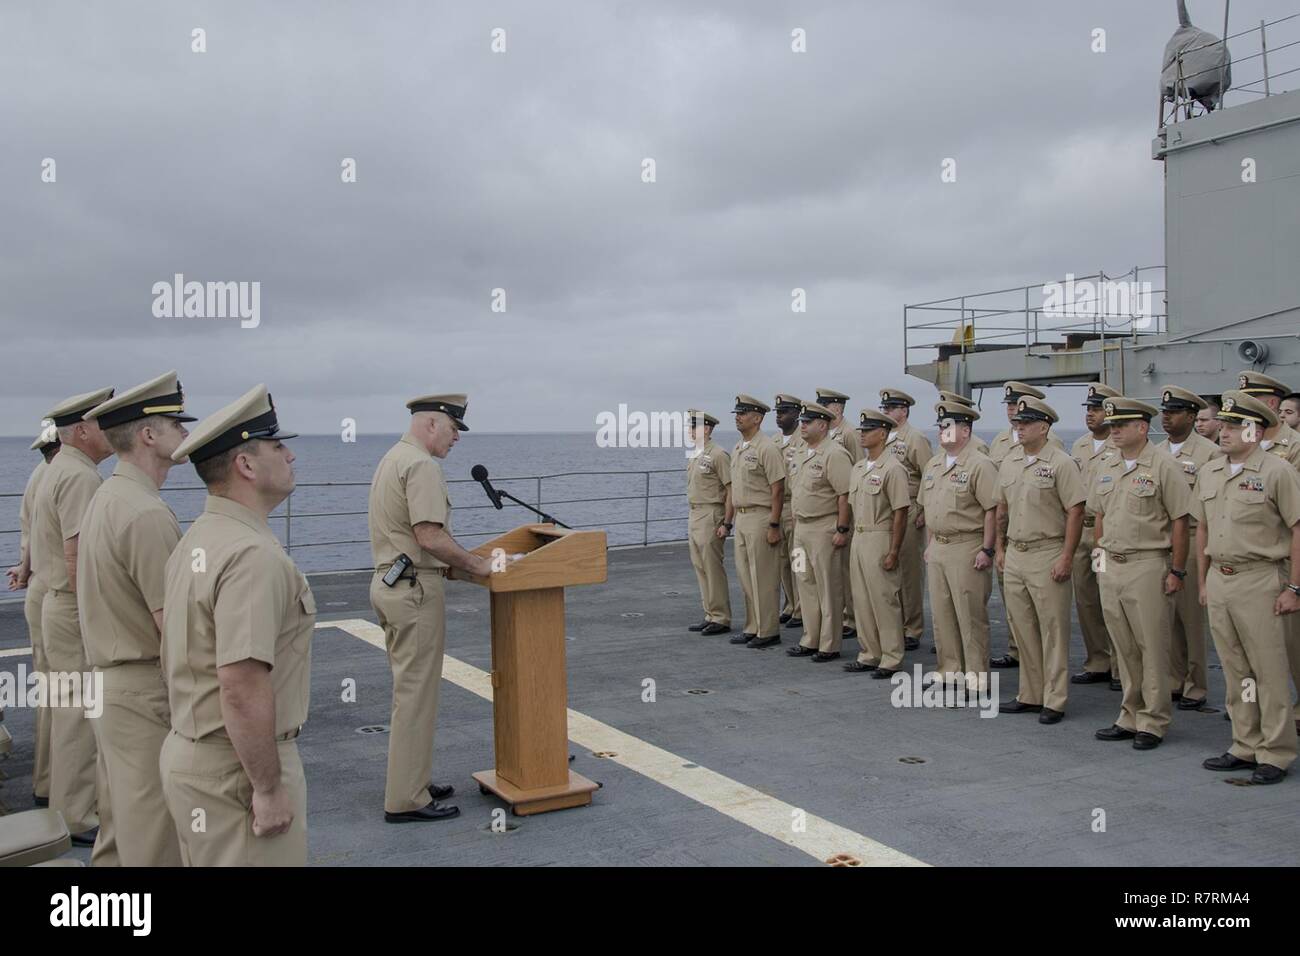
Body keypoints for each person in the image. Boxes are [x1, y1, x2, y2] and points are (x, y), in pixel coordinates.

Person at [159, 385, 313, 865]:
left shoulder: (200, 538)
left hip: (195, 752)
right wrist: (267, 789)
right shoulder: (250, 555)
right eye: (276, 446)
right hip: (236, 772)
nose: (290, 454)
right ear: (246, 465)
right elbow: (241, 683)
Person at [76, 372, 193, 866]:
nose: (186, 434)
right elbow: (174, 626)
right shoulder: (145, 512)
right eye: (176, 424)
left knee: (120, 830)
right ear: (148, 434)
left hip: (110, 685)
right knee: (155, 835)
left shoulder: (107, 496)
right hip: (143, 691)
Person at [369, 393, 493, 823]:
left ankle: (413, 780)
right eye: (454, 428)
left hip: (392, 583)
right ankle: (406, 799)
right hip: (414, 589)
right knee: (416, 697)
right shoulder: (422, 465)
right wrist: (480, 566)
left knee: (411, 694)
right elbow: (430, 536)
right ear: (432, 424)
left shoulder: (393, 457)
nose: (457, 437)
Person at [1194, 390, 1300, 784]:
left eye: (1236, 425)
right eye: (1224, 424)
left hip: (1261, 579)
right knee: (1238, 671)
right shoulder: (1211, 471)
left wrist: (1294, 588)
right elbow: (1202, 526)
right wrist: (1204, 579)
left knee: (1268, 671)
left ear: (1255, 430)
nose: (1225, 432)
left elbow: (1297, 529)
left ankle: (1276, 751)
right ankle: (1245, 743)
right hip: (1221, 579)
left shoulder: (1276, 471)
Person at [31, 386, 116, 847]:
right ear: (82, 430)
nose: (109, 432)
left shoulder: (59, 468)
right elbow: (78, 553)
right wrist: (97, 616)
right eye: (102, 423)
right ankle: (79, 816)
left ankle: (57, 798)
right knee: (80, 716)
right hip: (71, 606)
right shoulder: (80, 477)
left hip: (54, 604)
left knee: (64, 711)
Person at [1089, 397, 1191, 751]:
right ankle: (1129, 714)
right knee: (1124, 646)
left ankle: (1154, 719)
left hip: (1148, 564)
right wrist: (1099, 558)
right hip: (1112, 565)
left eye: (1121, 426)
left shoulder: (1163, 465)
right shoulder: (1107, 464)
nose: (1113, 430)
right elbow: (1100, 513)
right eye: (1112, 426)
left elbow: (1180, 520)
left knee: (1152, 646)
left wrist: (1177, 570)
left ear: (1142, 428)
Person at [995, 397, 1085, 723]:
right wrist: (1000, 548)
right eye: (1017, 424)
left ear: (1044, 427)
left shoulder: (1061, 463)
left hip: (1048, 551)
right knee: (1023, 628)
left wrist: (1066, 556)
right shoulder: (1009, 462)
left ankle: (1054, 699)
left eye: (1026, 424)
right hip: (1017, 552)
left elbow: (1075, 510)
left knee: (1053, 630)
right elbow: (1002, 508)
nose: (1019, 428)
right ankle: (1030, 694)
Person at [918, 401, 999, 692]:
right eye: (939, 427)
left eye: (947, 426)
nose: (941, 431)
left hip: (967, 545)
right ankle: (949, 670)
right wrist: (929, 545)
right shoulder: (934, 464)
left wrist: (987, 549)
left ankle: (977, 679)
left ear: (965, 431)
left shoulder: (980, 464)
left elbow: (992, 509)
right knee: (942, 615)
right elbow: (931, 509)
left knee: (970, 617)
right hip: (939, 546)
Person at [987, 382, 1064, 670]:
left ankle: (1045, 672)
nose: (1011, 411)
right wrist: (999, 544)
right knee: (1013, 601)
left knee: (1044, 614)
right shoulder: (1000, 443)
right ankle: (1017, 650)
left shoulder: (1052, 447)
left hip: (1042, 540)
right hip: (1012, 536)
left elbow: (1069, 507)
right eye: (1009, 406)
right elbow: (1001, 500)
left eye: (1018, 406)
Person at [5, 422, 62, 802]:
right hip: (55, 591)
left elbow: (31, 536)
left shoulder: (38, 477)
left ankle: (47, 780)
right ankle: (64, 789)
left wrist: (24, 570)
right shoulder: (63, 479)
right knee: (71, 701)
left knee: (50, 694)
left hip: (39, 587)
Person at [1156, 386, 1220, 711]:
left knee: (1192, 617)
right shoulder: (1156, 452)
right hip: (1163, 539)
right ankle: (1174, 678)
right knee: (1168, 616)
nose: (1166, 418)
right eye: (1164, 413)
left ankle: (1196, 685)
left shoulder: (1209, 453)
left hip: (1194, 537)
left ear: (1192, 417)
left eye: (1174, 412)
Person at [843, 409, 910, 678]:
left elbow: (900, 512)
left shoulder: (893, 468)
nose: (862, 434)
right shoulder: (859, 467)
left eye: (868, 430)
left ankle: (892, 657)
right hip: (859, 537)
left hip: (880, 536)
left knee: (884, 599)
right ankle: (869, 653)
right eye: (861, 430)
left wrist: (894, 549)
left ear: (882, 434)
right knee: (861, 599)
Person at [785, 402, 852, 662]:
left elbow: (844, 495)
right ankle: (810, 638)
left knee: (828, 587)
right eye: (802, 421)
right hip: (801, 528)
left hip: (824, 528)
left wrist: (842, 529)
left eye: (808, 421)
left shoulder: (834, 454)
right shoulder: (802, 452)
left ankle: (829, 644)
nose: (802, 425)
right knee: (805, 582)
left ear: (822, 425)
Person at [721, 395, 786, 648]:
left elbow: (777, 488)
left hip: (761, 517)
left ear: (757, 418)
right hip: (742, 518)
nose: (738, 416)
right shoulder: (740, 447)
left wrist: (773, 524)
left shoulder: (766, 448)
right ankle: (753, 626)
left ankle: (768, 630)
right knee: (747, 576)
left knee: (764, 576)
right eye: (737, 413)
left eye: (743, 413)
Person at [1069, 384, 1120, 687]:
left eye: (1097, 409)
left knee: (1109, 599)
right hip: (1082, 531)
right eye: (1088, 409)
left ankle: (1118, 663)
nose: (1091, 414)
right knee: (1086, 599)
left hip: (1106, 533)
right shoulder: (1079, 446)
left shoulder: (1119, 447)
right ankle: (1097, 660)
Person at [879, 388, 933, 653]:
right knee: (890, 568)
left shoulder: (915, 438)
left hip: (910, 508)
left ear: (904, 410)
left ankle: (912, 627)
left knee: (910, 572)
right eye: (884, 409)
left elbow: (929, 476)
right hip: (886, 511)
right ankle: (894, 623)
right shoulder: (882, 437)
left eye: (891, 408)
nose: (886, 412)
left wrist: (923, 510)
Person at [685, 410, 731, 636]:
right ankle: (710, 613)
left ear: (707, 429)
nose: (690, 431)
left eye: (694, 427)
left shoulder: (719, 454)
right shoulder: (696, 453)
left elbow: (731, 489)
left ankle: (721, 617)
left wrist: (727, 522)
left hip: (711, 514)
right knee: (700, 567)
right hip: (695, 514)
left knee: (712, 568)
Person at [773, 395, 806, 628]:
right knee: (782, 560)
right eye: (777, 411)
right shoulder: (774, 442)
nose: (779, 415)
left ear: (796, 414)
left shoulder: (803, 441)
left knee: (798, 560)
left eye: (784, 411)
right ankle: (790, 604)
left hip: (795, 505)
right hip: (778, 505)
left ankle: (802, 608)